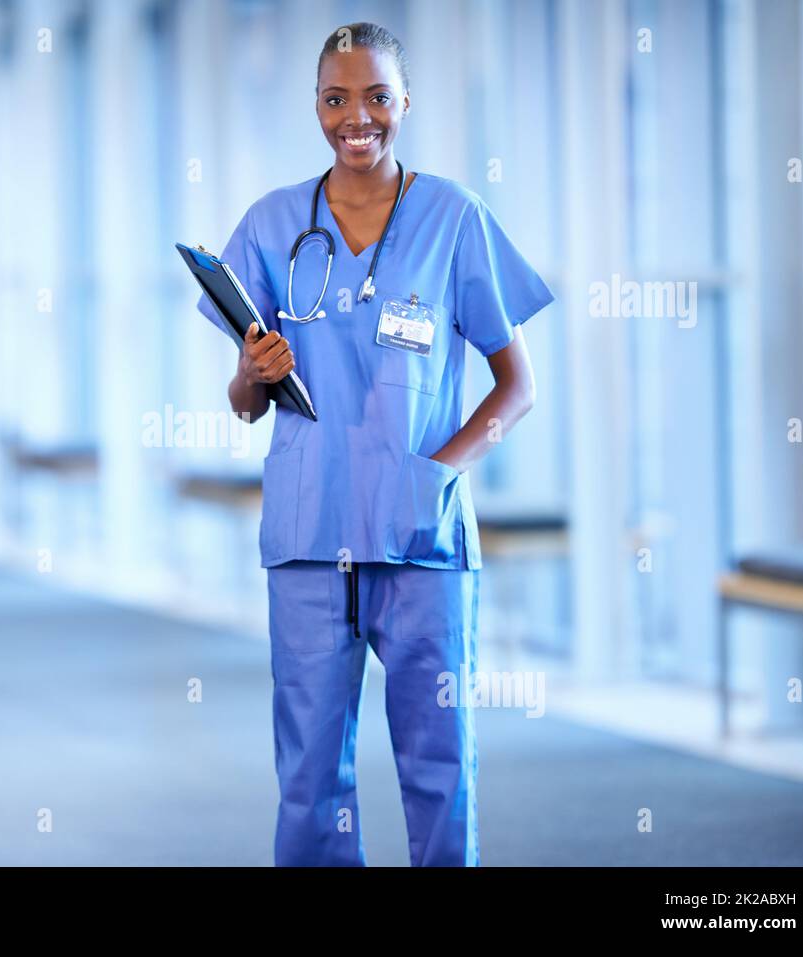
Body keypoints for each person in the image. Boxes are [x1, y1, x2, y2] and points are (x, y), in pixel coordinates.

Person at [195, 22, 555, 867]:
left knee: (440, 769)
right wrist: (254, 367)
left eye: (376, 97)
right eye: (336, 98)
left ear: (404, 103)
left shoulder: (454, 218)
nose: (357, 117)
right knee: (311, 778)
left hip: (420, 542)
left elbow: (518, 387)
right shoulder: (273, 223)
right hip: (312, 536)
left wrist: (440, 472)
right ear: (316, 106)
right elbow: (246, 403)